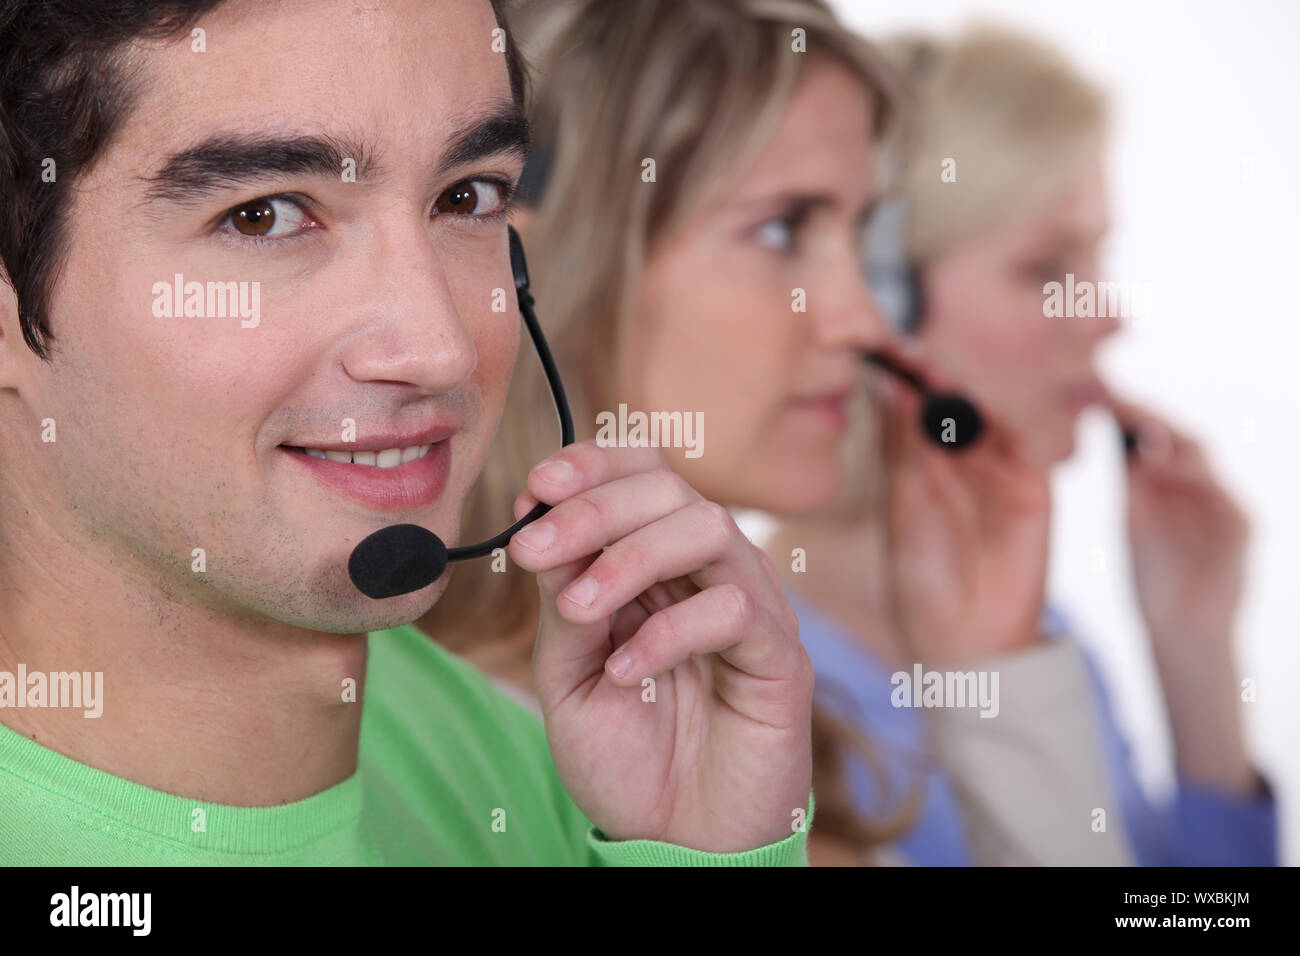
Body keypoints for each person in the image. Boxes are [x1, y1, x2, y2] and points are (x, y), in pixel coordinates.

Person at [0, 0, 815, 866]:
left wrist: (699, 849)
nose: (441, 348)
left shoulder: (535, 758)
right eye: (265, 215)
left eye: (466, 197)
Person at [422, 0, 1132, 866]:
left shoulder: (735, 670)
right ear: (526, 268)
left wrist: (998, 668)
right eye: (782, 228)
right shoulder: (444, 749)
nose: (863, 319)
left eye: (860, 233)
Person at [765, 26, 1277, 866]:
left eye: (1097, 258)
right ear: (880, 299)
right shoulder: (762, 686)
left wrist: (1197, 654)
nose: (1109, 315)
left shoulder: (1040, 640)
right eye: (1048, 268)